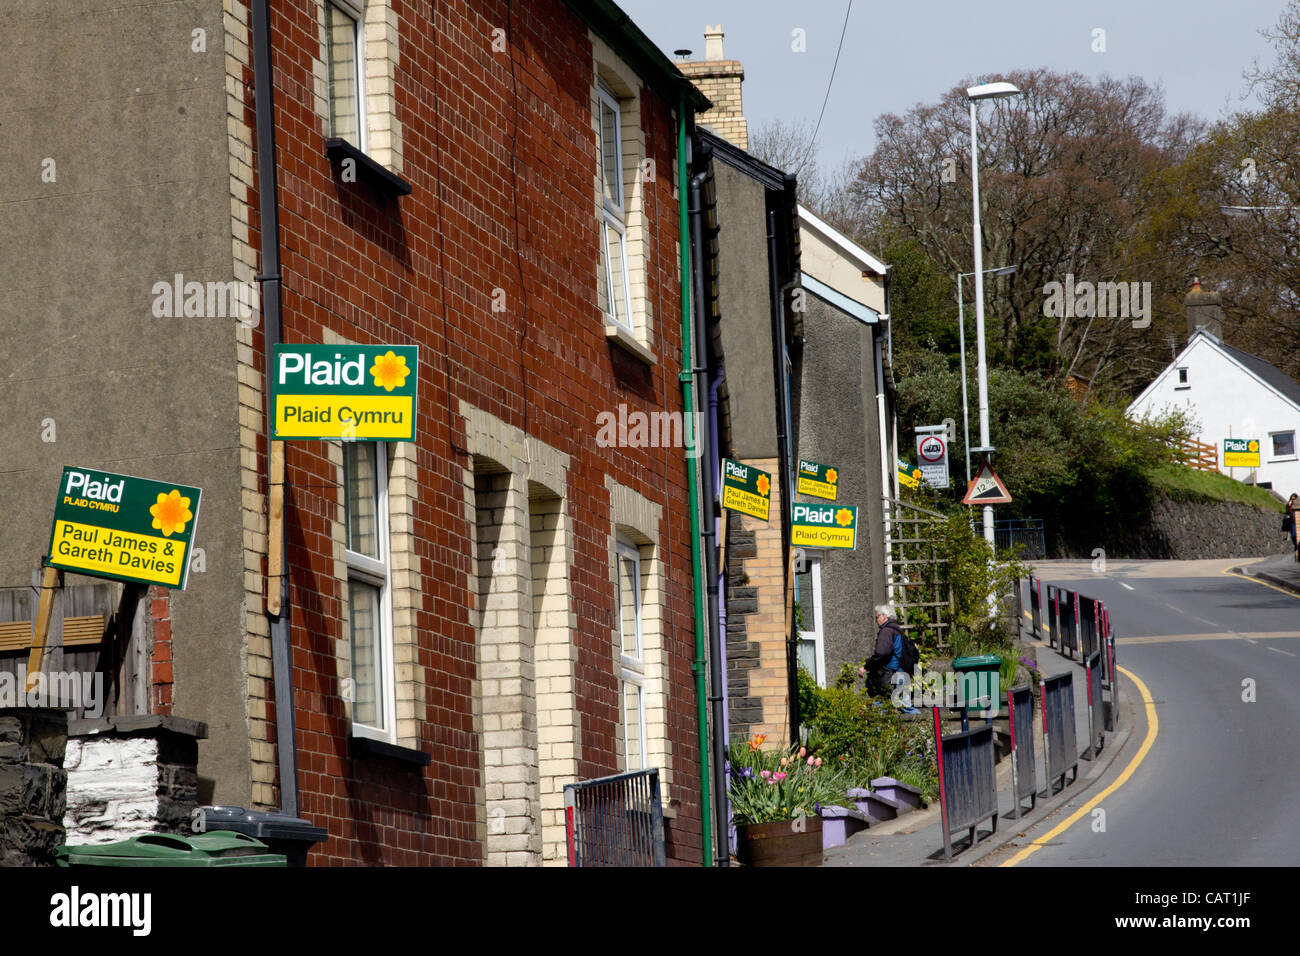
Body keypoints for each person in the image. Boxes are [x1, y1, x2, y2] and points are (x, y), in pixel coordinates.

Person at [858, 603, 918, 713]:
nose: (876, 620)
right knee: (905, 705)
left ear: (885, 616)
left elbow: (881, 653)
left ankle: (926, 724)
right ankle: (924, 725)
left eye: (877, 616)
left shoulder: (886, 632)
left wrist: (867, 666)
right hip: (902, 673)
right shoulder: (897, 630)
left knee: (881, 704)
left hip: (890, 675)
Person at [1287, 494, 1299, 562]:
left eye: (1294, 497)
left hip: (1296, 521)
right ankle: (1296, 546)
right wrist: (1289, 505)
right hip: (1292, 521)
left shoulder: (1296, 504)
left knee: (1296, 535)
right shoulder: (1289, 504)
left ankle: (1297, 547)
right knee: (1293, 535)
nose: (1293, 498)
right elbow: (1287, 511)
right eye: (1292, 497)